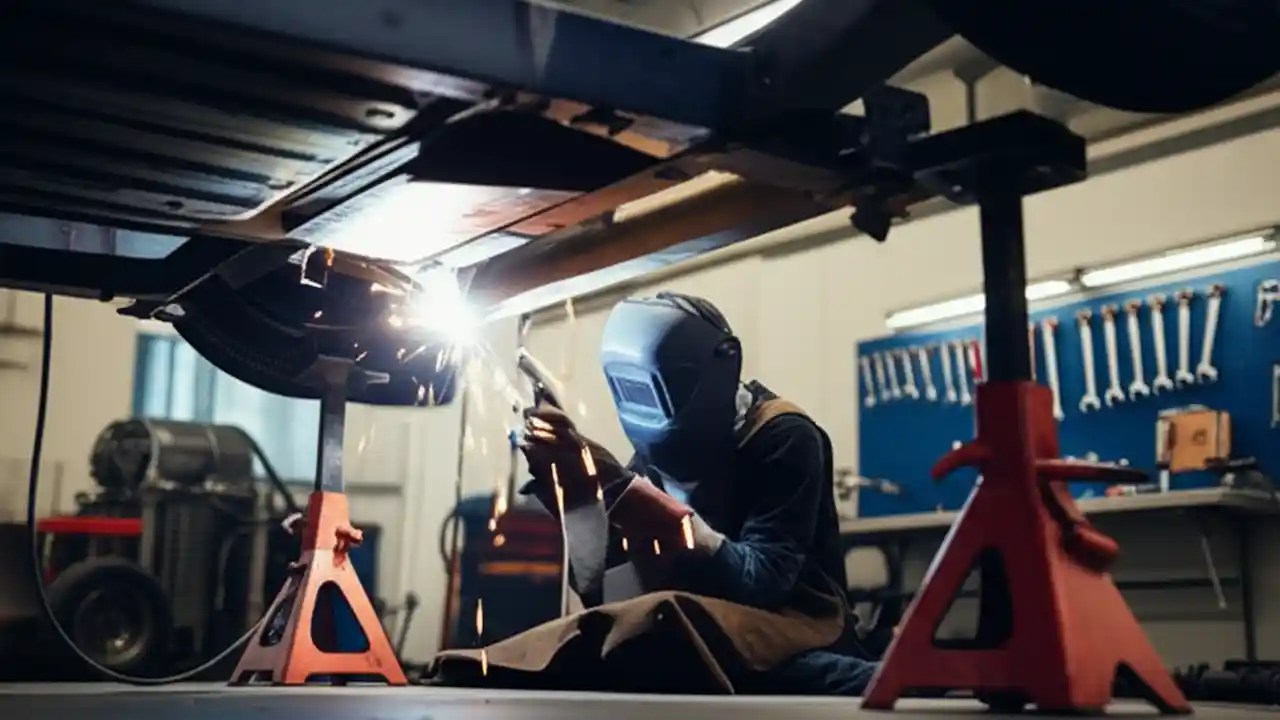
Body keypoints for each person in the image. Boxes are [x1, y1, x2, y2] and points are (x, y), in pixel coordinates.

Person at [432, 292, 879, 694]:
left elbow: (762, 582)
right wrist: (579, 492)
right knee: (613, 648)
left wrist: (631, 495)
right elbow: (607, 590)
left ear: (723, 364)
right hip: (699, 628)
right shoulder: (654, 450)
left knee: (828, 679)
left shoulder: (783, 437)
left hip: (797, 629)